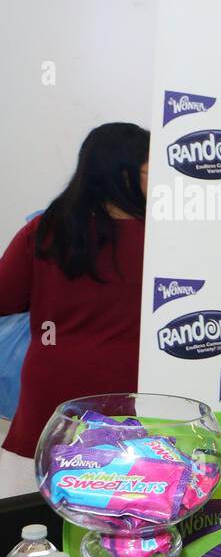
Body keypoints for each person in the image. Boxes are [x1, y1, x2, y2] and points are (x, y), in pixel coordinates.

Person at [0, 123, 151, 498]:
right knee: (127, 502)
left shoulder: (45, 230)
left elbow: (4, 298)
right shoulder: (163, 240)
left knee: (45, 506)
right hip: (130, 394)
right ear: (124, 175)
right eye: (152, 170)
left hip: (53, 391)